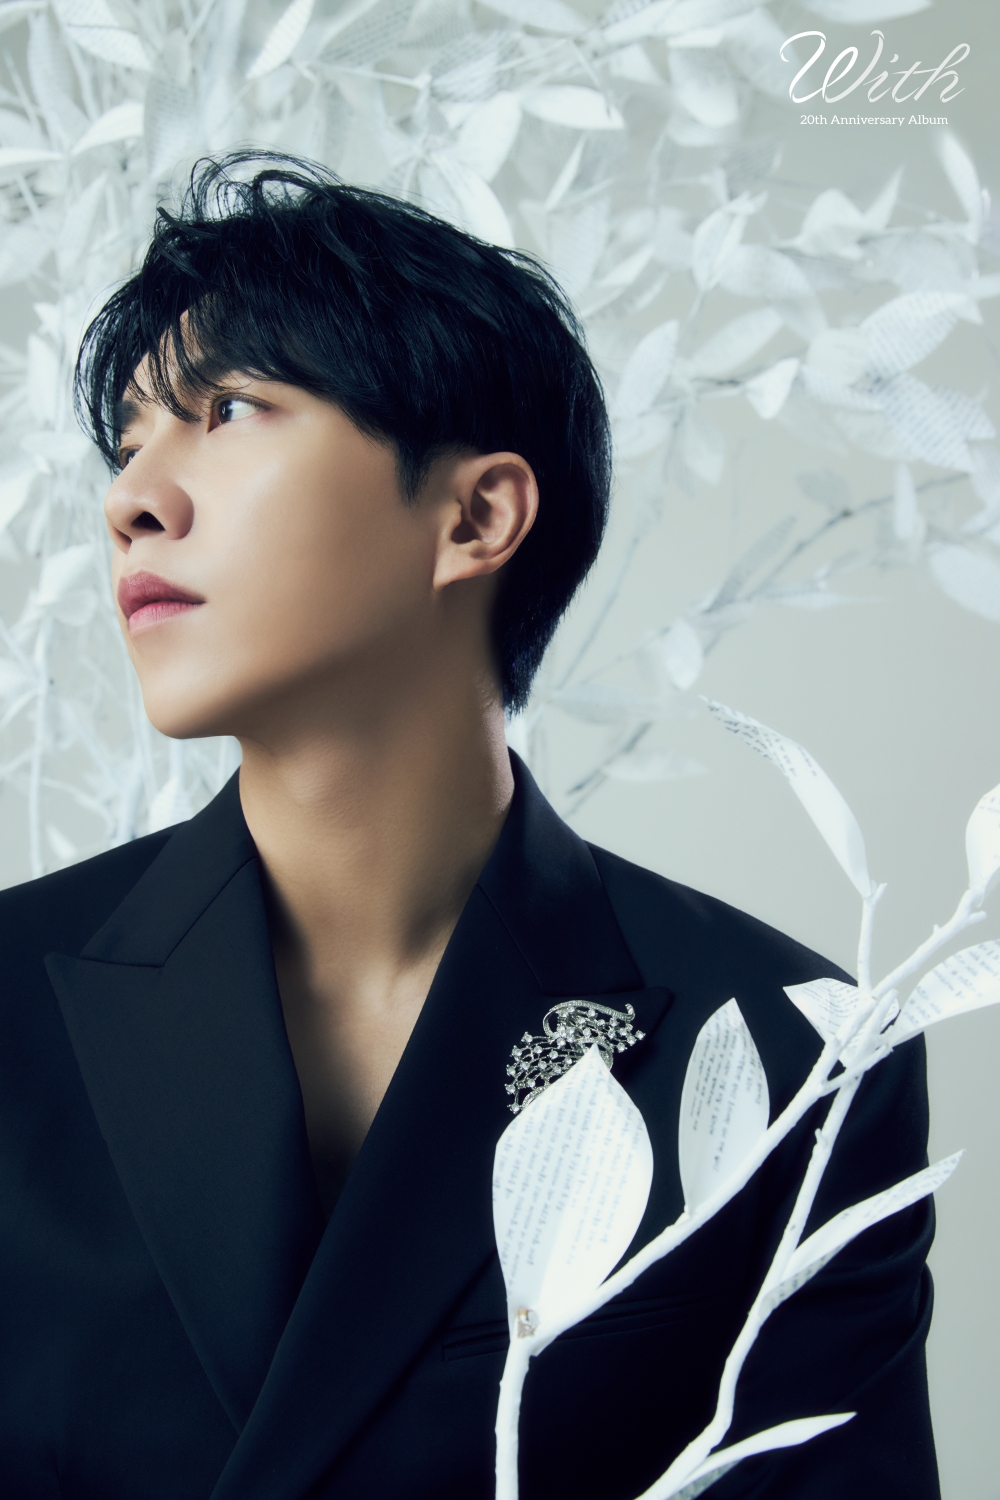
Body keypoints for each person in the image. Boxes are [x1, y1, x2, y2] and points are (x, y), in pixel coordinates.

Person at [0, 153, 937, 1500]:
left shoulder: (794, 1050)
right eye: (131, 440)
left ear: (477, 515)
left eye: (230, 408)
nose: (131, 499)